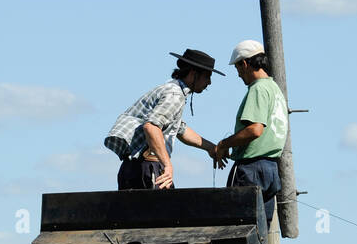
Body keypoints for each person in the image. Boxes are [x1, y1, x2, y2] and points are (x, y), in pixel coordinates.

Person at [104, 48, 226, 190]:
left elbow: (180, 129)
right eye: (207, 76)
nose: (209, 82)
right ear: (193, 74)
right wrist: (167, 165)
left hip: (135, 168)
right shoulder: (175, 95)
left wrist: (211, 148)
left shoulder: (170, 89)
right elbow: (151, 127)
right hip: (148, 167)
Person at [214, 40, 289, 225]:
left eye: (238, 69)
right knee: (260, 233)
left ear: (245, 63)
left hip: (251, 168)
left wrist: (223, 144)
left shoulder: (258, 89)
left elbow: (255, 129)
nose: (239, 75)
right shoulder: (274, 89)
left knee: (236, 227)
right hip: (271, 169)